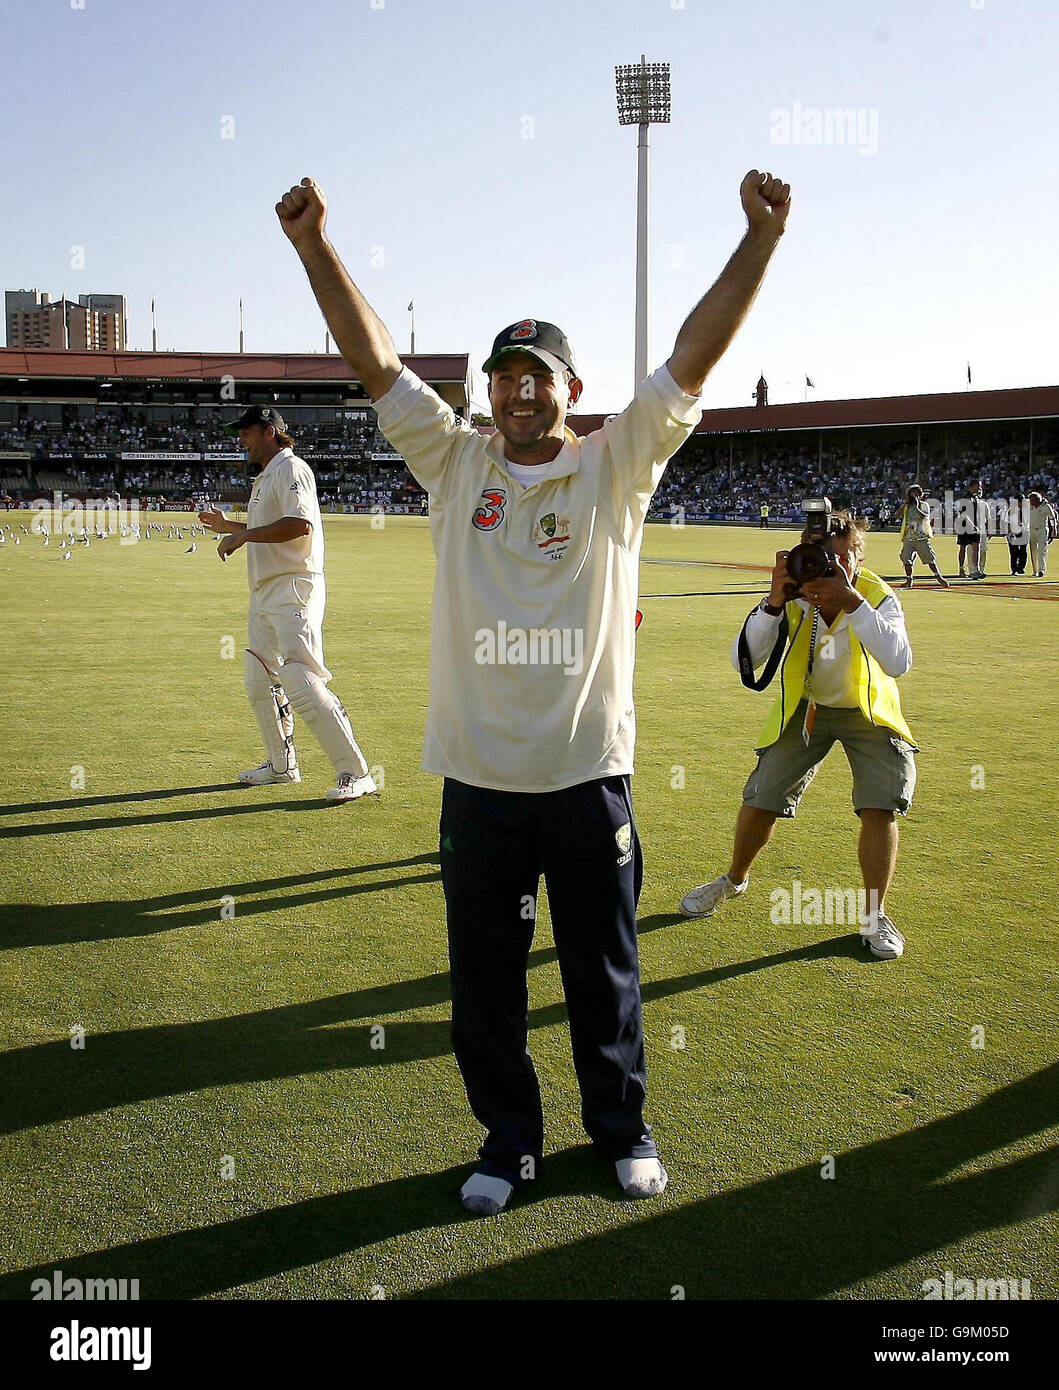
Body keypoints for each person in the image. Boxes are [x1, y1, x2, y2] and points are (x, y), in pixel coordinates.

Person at [276, 168, 791, 1215]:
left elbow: (691, 359)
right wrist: (315, 246)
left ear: (570, 387)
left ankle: (622, 1129)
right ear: (488, 393)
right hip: (478, 780)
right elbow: (374, 362)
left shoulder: (615, 466)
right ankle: (509, 1142)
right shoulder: (454, 463)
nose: (518, 392)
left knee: (603, 974)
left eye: (537, 377)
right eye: (503, 376)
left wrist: (759, 241)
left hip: (586, 775)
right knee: (485, 986)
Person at [680, 513, 915, 961]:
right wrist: (773, 602)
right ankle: (734, 880)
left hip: (867, 711)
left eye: (842, 558)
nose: (831, 567)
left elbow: (898, 661)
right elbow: (744, 660)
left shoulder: (876, 594)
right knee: (761, 798)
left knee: (880, 804)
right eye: (822, 558)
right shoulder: (793, 594)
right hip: (806, 707)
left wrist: (852, 602)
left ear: (859, 558)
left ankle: (873, 915)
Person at [198, 406, 376, 803]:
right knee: (258, 677)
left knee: (300, 677)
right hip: (265, 590)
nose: (241, 438)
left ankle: (356, 773)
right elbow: (272, 526)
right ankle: (281, 766)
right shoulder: (266, 476)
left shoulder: (292, 468)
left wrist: (242, 537)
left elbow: (299, 525)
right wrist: (230, 527)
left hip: (294, 585)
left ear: (270, 431)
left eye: (247, 431)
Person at [898, 484, 949, 589]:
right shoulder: (906, 506)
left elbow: (924, 517)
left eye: (916, 493)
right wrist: (904, 505)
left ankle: (938, 577)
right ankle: (909, 579)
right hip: (908, 537)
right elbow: (897, 515)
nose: (914, 496)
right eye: (912, 493)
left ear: (920, 495)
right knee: (906, 559)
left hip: (921, 537)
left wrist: (916, 507)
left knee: (929, 559)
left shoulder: (923, 505)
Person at [1028, 491, 1057, 576]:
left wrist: (1054, 529)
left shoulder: (1046, 506)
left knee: (1042, 550)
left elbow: (1052, 518)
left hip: (1042, 530)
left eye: (1032, 501)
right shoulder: (1029, 506)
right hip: (1031, 530)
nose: (1031, 503)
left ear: (1037, 500)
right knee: (1033, 551)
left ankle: (1041, 570)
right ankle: (1035, 571)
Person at [1006, 493, 1029, 575]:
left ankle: (1021, 568)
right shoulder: (1011, 511)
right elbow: (1008, 523)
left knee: (1023, 551)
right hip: (1014, 532)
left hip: (1024, 532)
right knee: (1013, 552)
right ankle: (1014, 569)